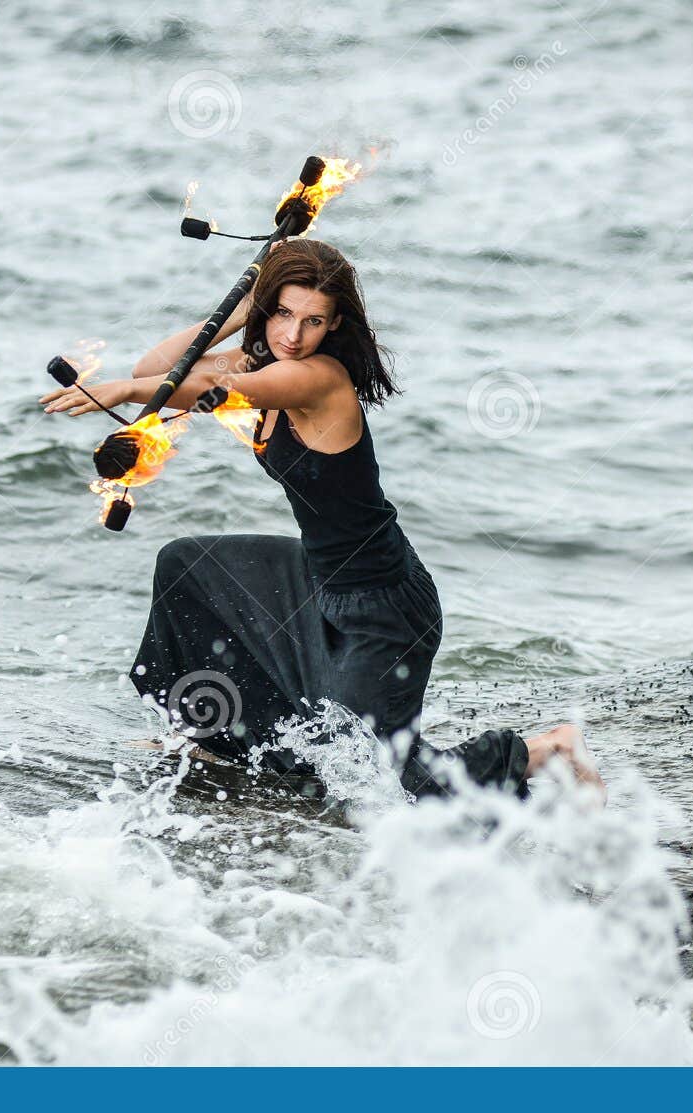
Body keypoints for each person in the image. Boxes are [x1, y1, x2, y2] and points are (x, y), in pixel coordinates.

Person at [40, 239, 604, 802]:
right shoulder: (267, 355)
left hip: (381, 602)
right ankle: (210, 735)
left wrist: (136, 392)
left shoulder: (320, 379)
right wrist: (242, 312)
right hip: (317, 575)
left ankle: (546, 749)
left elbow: (222, 388)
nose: (292, 334)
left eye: (313, 321)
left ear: (334, 326)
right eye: (283, 313)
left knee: (378, 778)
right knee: (186, 565)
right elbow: (158, 367)